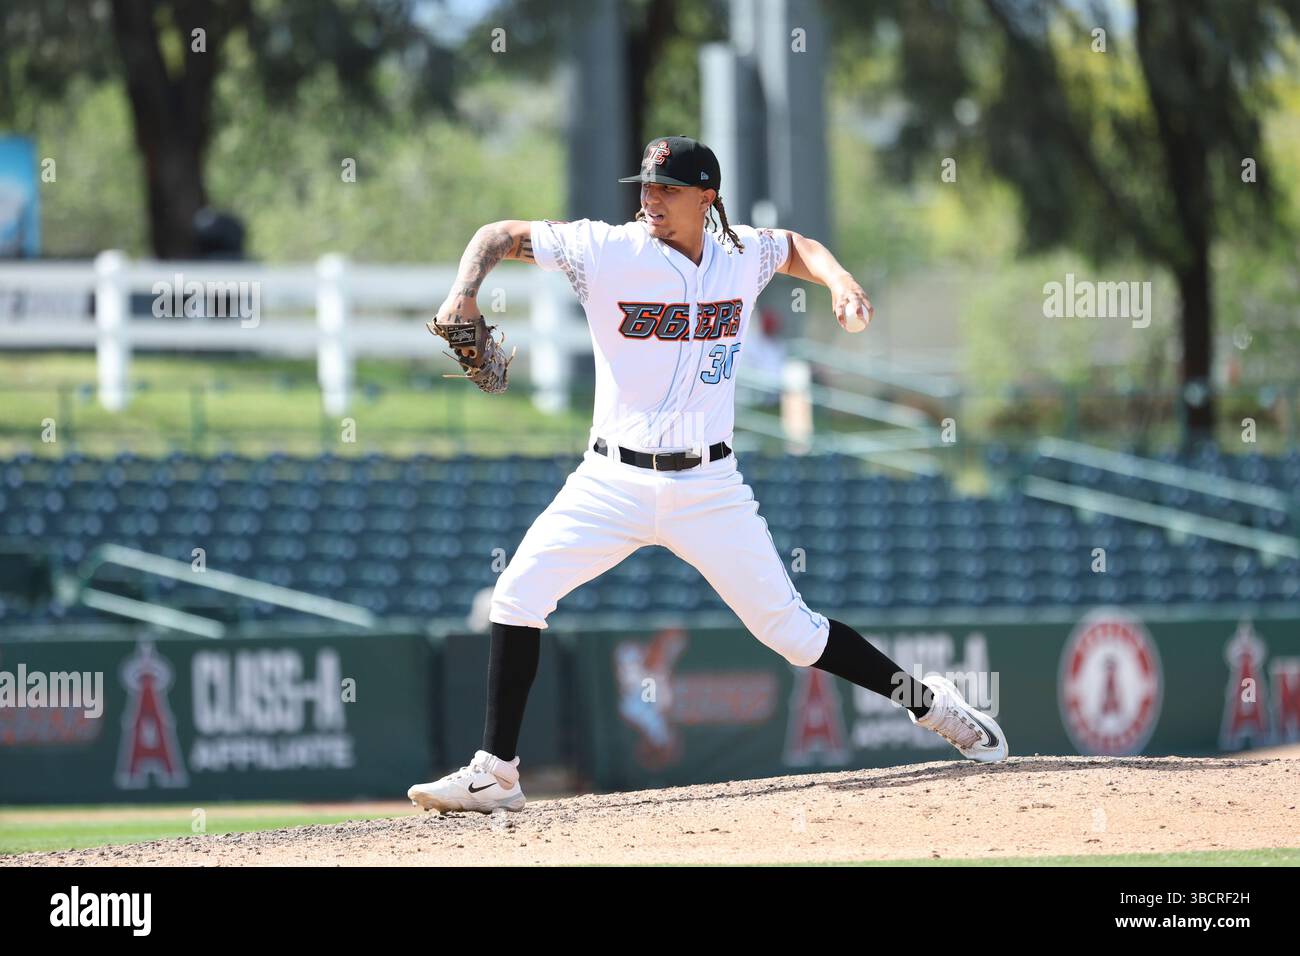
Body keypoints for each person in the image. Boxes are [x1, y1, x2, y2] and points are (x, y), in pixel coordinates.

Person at [408, 136, 1007, 815]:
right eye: (645, 184)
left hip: (710, 486)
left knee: (796, 635)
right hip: (611, 481)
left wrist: (839, 280)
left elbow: (794, 247)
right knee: (516, 595)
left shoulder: (739, 257)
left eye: (666, 187)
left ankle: (931, 706)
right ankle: (497, 773)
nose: (649, 197)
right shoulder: (607, 251)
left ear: (706, 197)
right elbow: (499, 233)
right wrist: (464, 290)